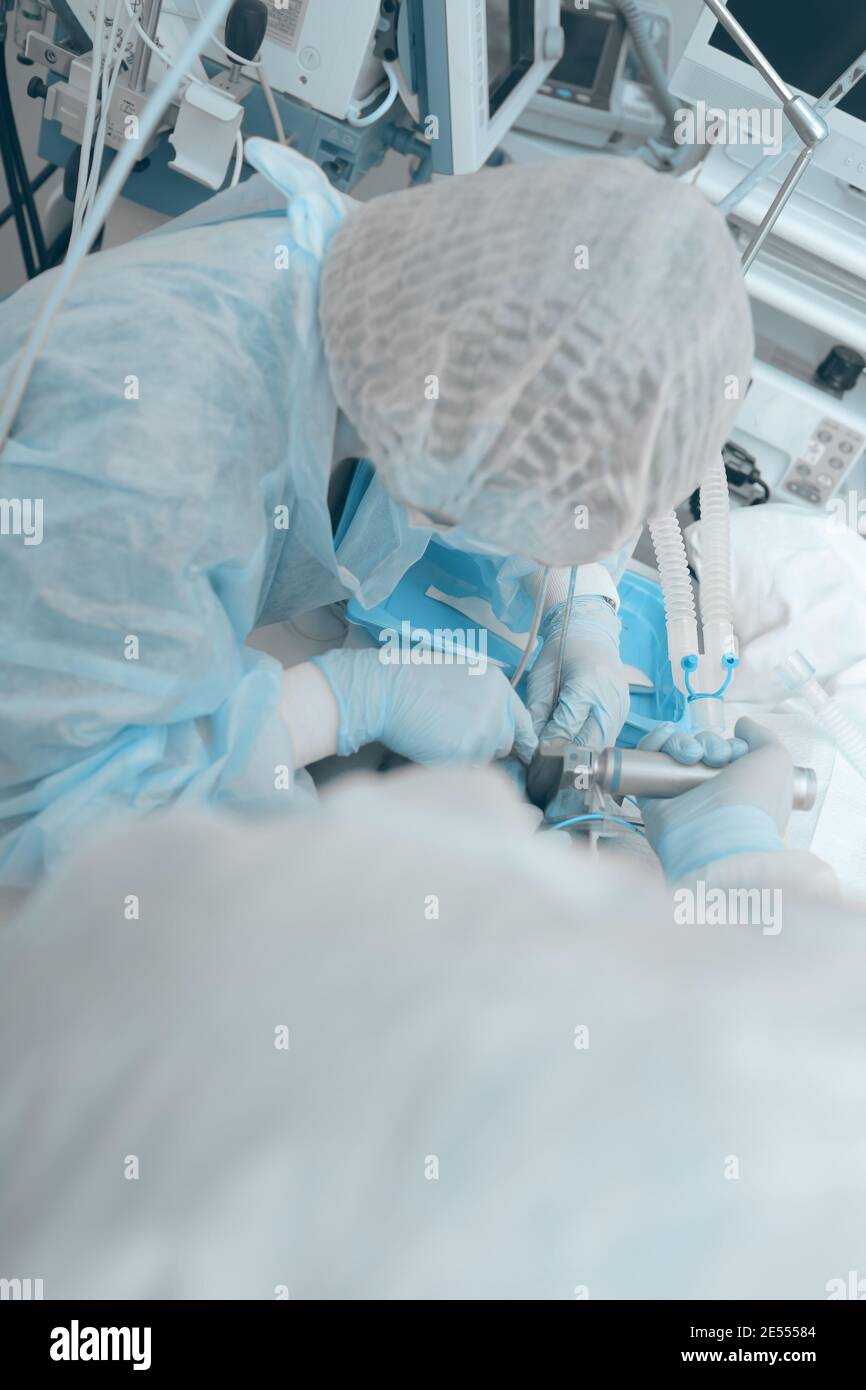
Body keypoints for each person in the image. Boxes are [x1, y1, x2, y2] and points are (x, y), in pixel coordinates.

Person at [0, 139, 752, 885]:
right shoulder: (149, 448)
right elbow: (69, 835)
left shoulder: (402, 305)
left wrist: (580, 604)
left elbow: (527, 414)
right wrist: (337, 703)